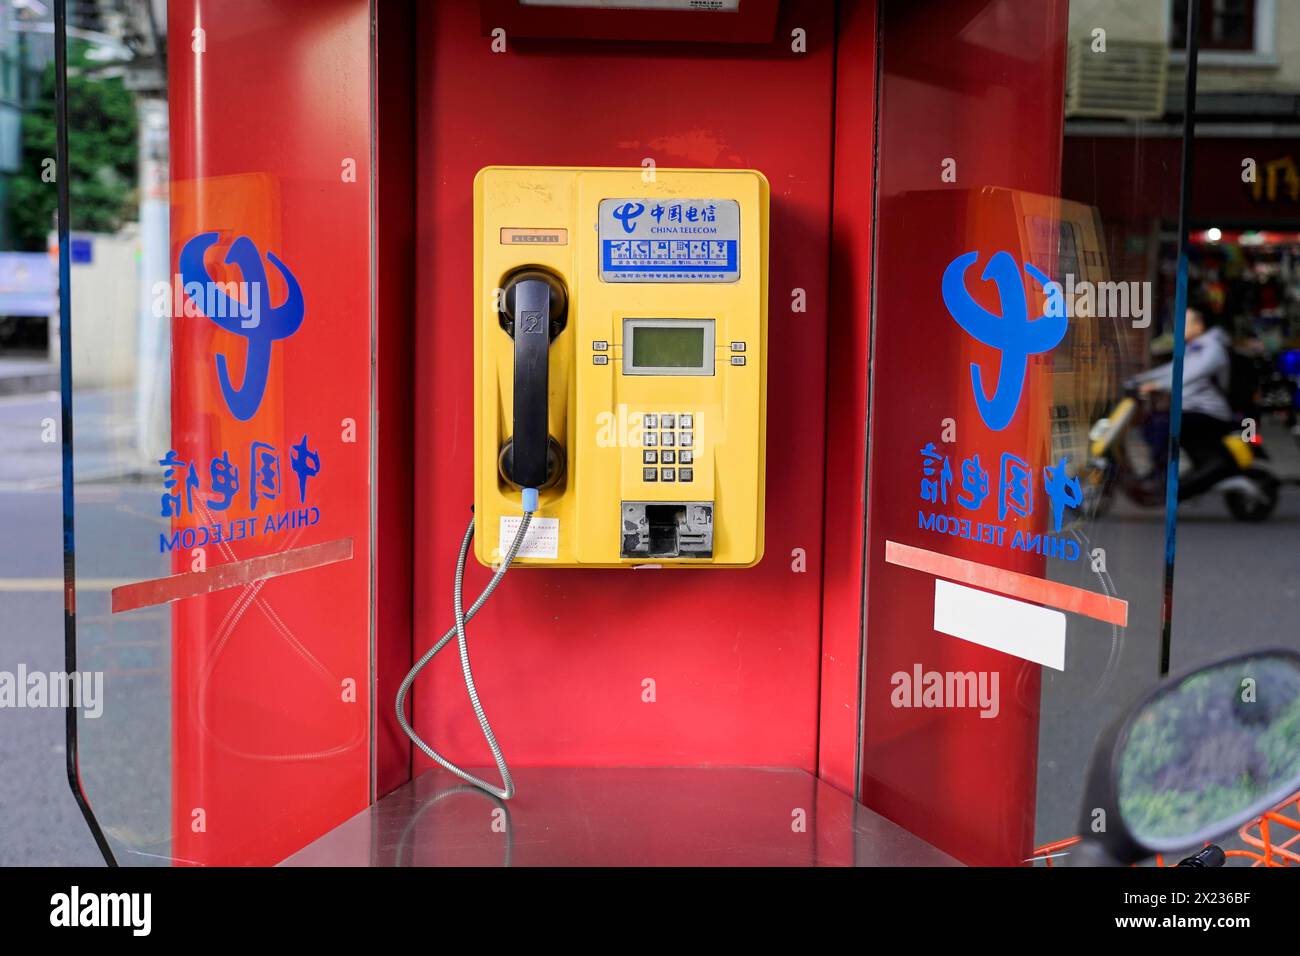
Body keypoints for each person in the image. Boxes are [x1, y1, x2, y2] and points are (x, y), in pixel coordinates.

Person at [1130, 307, 1239, 502]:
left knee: (1163, 424)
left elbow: (1190, 374)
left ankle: (1160, 476)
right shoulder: (1195, 347)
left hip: (1212, 413)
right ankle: (1162, 472)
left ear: (1199, 326)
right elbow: (1172, 369)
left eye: (1184, 324)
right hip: (1192, 410)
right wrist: (1138, 380)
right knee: (1152, 421)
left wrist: (1156, 385)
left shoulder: (1213, 348)